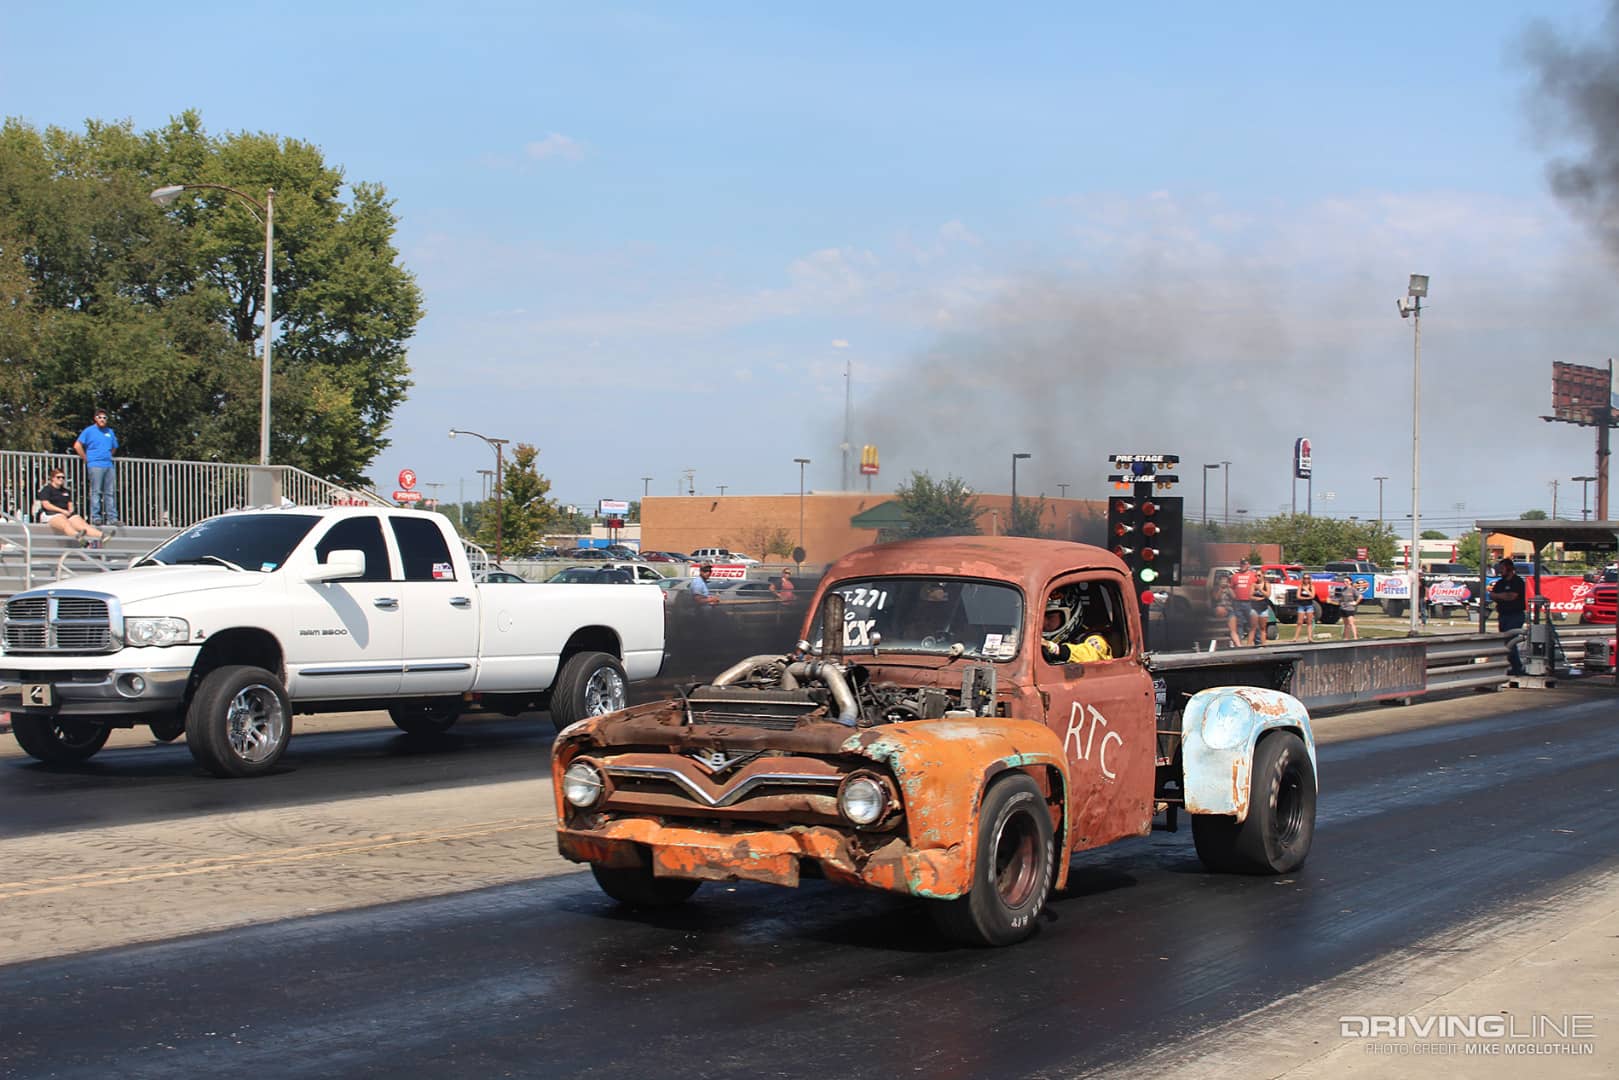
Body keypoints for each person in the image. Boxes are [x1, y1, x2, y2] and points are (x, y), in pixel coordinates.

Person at [72, 408, 119, 526]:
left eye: (104, 418)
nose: (102, 420)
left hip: (108, 465)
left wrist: (108, 455)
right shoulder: (89, 431)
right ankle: (96, 517)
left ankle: (112, 518)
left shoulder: (110, 431)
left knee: (110, 492)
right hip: (95, 464)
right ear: (95, 418)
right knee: (96, 492)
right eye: (100, 417)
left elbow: (114, 447)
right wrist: (86, 458)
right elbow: (77, 445)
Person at [35, 469, 104, 546]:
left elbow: (70, 504)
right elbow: (46, 505)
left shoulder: (65, 491)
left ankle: (101, 536)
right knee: (65, 523)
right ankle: (78, 536)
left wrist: (70, 511)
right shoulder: (46, 490)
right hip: (51, 514)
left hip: (65, 514)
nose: (61, 479)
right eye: (58, 477)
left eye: (63, 477)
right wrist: (62, 511)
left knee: (81, 523)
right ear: (53, 478)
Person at [1040, 600, 1113, 663]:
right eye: (1040, 617)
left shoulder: (1091, 637)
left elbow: (1093, 656)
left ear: (1071, 615)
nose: (1043, 622)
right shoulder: (1037, 641)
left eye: (1050, 617)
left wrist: (1056, 649)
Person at [1490, 557, 1528, 676]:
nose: (1500, 571)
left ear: (1509, 568)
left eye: (1502, 568)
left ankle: (1517, 667)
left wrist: (1500, 596)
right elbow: (1492, 595)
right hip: (1503, 615)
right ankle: (1513, 666)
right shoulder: (1500, 583)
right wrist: (1503, 595)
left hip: (1515, 615)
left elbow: (1512, 596)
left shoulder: (1518, 582)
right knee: (1506, 642)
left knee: (1510, 641)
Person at [1334, 574, 1360, 640]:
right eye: (1344, 581)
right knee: (1346, 624)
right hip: (1343, 608)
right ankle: (1346, 637)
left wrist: (1355, 602)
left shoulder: (1352, 589)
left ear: (1350, 582)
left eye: (1347, 581)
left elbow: (1360, 596)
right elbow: (1340, 599)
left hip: (1350, 608)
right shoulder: (1343, 590)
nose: (1345, 583)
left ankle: (1355, 637)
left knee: (1351, 623)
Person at [1292, 575, 1317, 643]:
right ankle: (1295, 637)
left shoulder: (1312, 587)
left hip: (1309, 606)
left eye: (1307, 578)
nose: (1306, 579)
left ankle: (1310, 637)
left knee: (1309, 622)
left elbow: (1312, 596)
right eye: (1305, 578)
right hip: (1301, 606)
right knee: (1300, 622)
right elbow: (1298, 596)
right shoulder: (1300, 586)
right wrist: (1306, 598)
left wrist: (1306, 590)